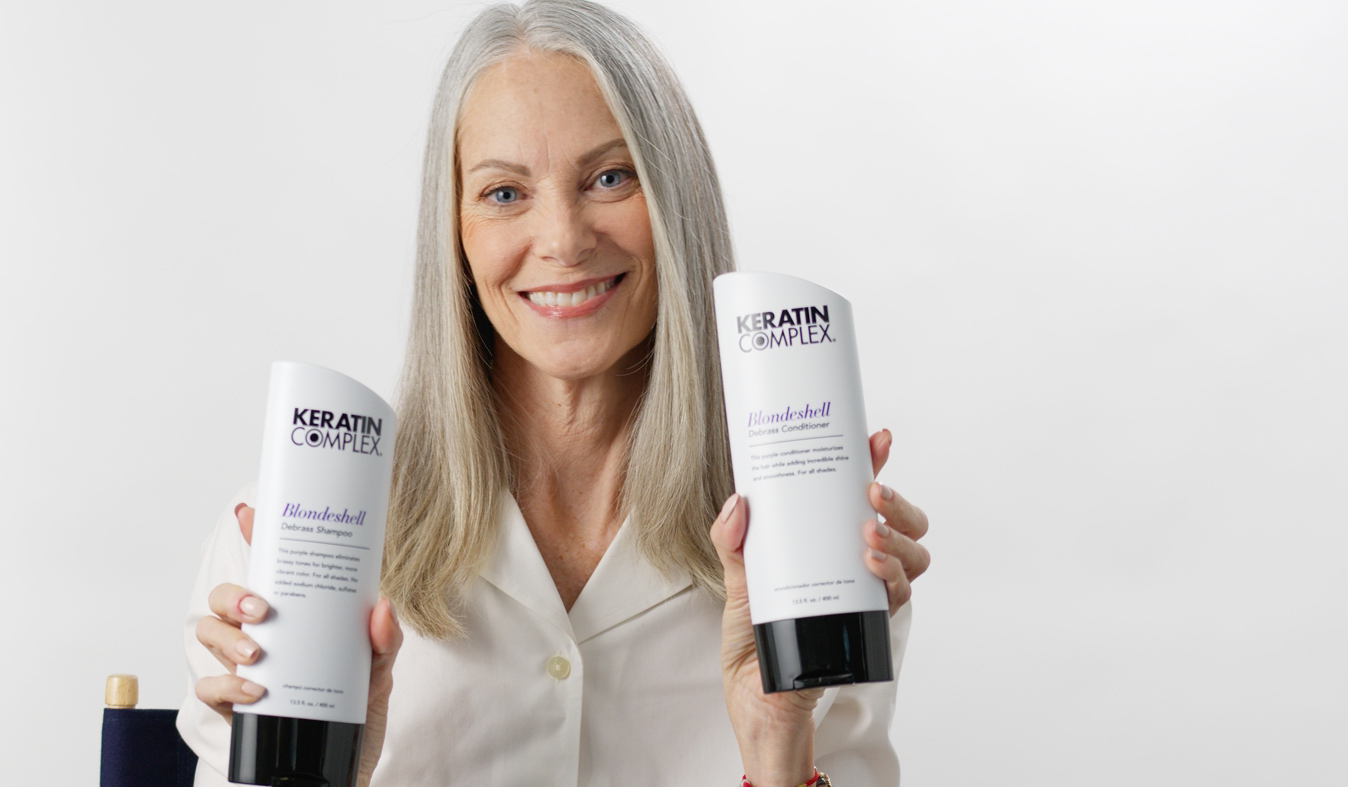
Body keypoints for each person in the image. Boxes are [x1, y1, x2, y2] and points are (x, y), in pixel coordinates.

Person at [177, 2, 933, 785]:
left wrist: (778, 745)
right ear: (454, 233)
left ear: (675, 201)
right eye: (505, 192)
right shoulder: (282, 551)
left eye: (610, 177)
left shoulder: (814, 551)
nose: (565, 240)